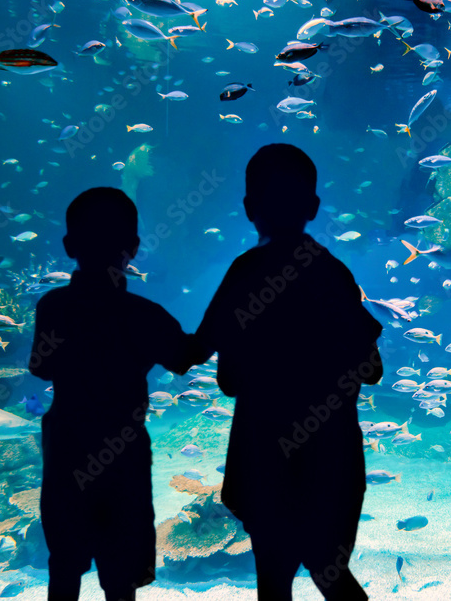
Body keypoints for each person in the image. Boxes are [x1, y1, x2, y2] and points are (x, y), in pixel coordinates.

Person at [195, 144, 383, 600]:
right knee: (330, 571)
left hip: (263, 458)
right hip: (332, 457)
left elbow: (222, 375)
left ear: (247, 209)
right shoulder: (333, 273)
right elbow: (372, 369)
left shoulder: (243, 273)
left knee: (272, 585)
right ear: (313, 208)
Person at [29, 187, 199, 601]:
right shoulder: (142, 315)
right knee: (121, 579)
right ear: (134, 249)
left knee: (64, 568)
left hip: (67, 450)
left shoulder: (53, 306)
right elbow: (184, 356)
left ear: (69, 246)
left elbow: (40, 367)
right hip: (123, 457)